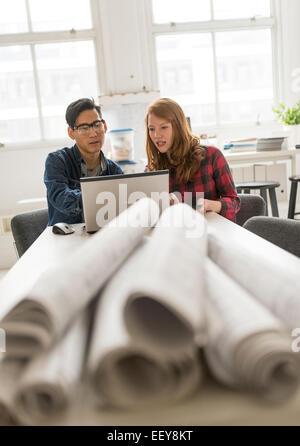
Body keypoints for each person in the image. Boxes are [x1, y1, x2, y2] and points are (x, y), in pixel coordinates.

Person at [145, 98, 240, 222]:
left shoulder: (211, 156)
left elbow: (234, 202)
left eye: (163, 127)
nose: (157, 135)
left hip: (211, 232)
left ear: (178, 127)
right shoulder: (152, 169)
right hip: (174, 235)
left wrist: (210, 205)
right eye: (152, 129)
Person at [44, 98, 123, 225]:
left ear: (105, 126)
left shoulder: (114, 170)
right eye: (84, 128)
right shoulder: (57, 161)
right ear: (71, 133)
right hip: (66, 239)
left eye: (97, 125)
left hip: (102, 236)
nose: (93, 133)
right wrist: (103, 198)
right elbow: (60, 197)